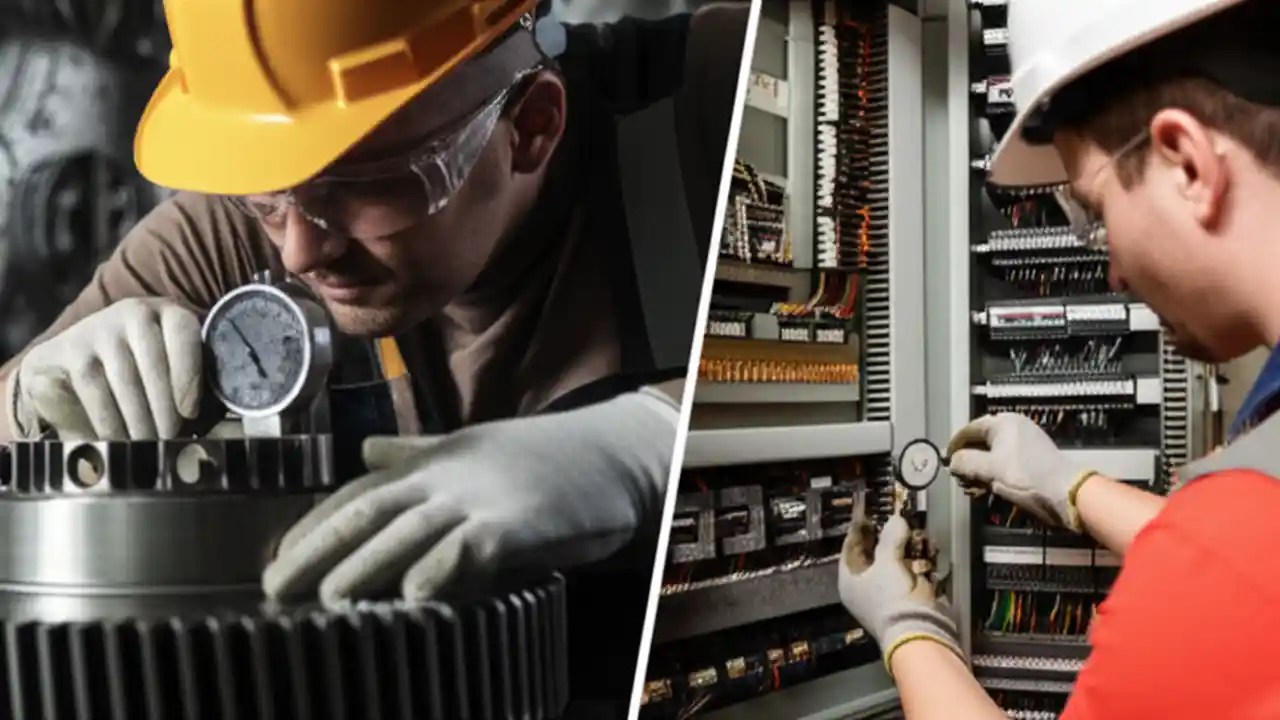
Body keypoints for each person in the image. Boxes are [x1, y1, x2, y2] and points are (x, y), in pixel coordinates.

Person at [0, 0, 749, 715]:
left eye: (357, 187)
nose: (300, 249)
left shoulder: (717, 99)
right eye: (265, 197)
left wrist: (648, 441)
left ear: (531, 127)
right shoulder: (227, 236)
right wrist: (31, 399)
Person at [836, 0, 1280, 717]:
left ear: (1188, 163)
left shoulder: (1229, 548)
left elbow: (1232, 564)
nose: (1112, 272)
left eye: (1097, 215)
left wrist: (909, 630)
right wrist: (1068, 486)